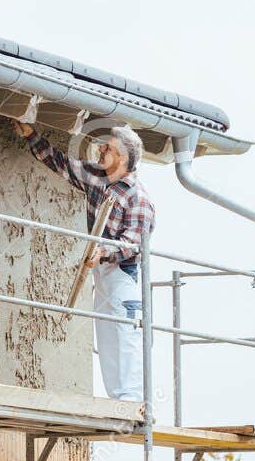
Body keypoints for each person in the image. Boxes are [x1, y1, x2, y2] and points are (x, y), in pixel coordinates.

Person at [11, 119, 154, 401]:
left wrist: (104, 251)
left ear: (123, 158)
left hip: (123, 274)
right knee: (106, 334)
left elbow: (133, 243)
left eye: (108, 148)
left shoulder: (138, 199)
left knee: (123, 335)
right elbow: (62, 164)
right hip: (102, 271)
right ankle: (119, 397)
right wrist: (31, 135)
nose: (101, 150)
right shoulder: (97, 179)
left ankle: (131, 400)